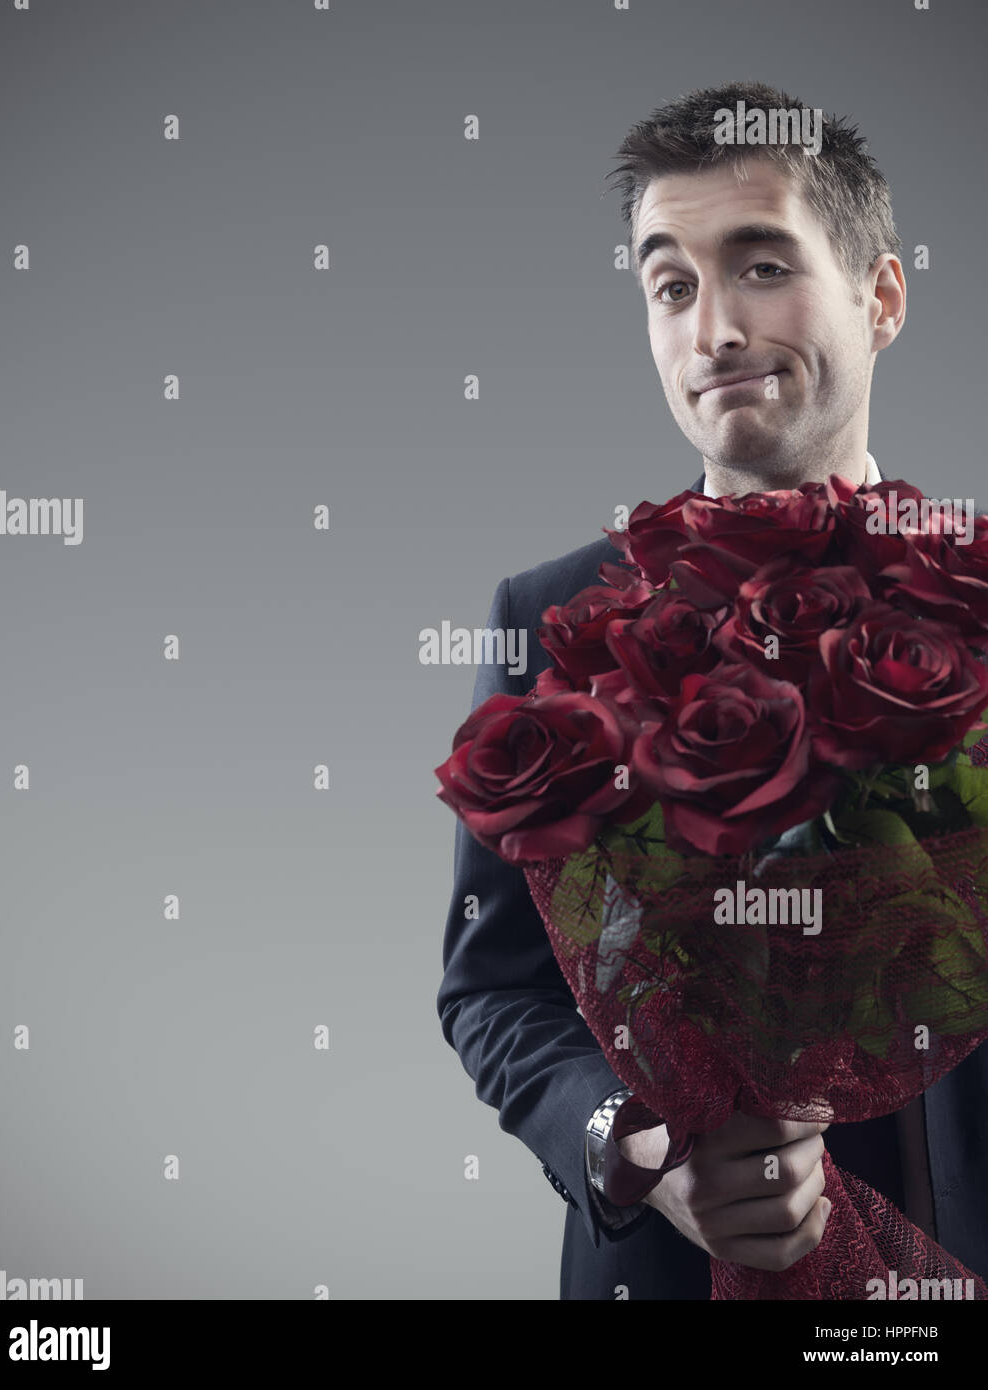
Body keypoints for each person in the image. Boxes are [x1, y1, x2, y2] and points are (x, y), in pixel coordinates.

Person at [436, 80, 988, 1299]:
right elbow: (495, 987)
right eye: (672, 285)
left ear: (882, 297)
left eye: (761, 267)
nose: (714, 330)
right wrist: (635, 1155)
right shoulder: (551, 617)